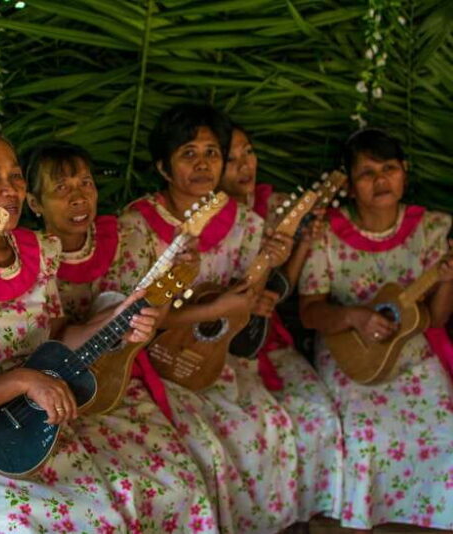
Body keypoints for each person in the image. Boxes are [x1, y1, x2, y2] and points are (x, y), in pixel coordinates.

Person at [0, 126, 218, 533]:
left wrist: (124, 318)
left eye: (16, 177)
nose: (10, 190)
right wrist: (23, 381)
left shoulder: (38, 251)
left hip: (44, 418)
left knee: (161, 488)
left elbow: (57, 338)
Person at [118, 104, 302, 534]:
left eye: (212, 153)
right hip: (153, 365)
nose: (203, 164)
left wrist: (259, 295)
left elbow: (245, 306)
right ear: (163, 167)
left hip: (216, 362)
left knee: (271, 427)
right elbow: (130, 317)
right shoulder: (136, 225)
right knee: (208, 448)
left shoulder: (246, 224)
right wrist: (216, 310)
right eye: (188, 153)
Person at [25, 141, 220, 533]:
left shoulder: (128, 238)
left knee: (182, 481)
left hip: (124, 382)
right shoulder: (33, 259)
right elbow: (51, 339)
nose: (79, 197)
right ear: (34, 203)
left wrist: (160, 305)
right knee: (114, 498)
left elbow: (155, 307)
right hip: (61, 396)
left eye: (86, 183)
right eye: (61, 189)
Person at [299, 128, 453, 531]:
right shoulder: (327, 235)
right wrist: (353, 316)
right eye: (367, 173)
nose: (381, 179)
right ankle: (367, 518)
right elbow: (310, 312)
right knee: (365, 431)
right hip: (351, 353)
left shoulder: (433, 229)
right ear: (349, 186)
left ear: (404, 173)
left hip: (412, 354)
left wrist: (449, 280)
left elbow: (434, 320)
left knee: (446, 424)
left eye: (389, 168)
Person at [219, 123, 344, 525]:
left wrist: (305, 242)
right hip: (216, 343)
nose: (245, 166)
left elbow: (282, 283)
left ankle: (300, 517)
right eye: (232, 159)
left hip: (265, 338)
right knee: (258, 432)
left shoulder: (274, 207)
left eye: (249, 153)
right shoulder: (206, 219)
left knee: (319, 416)